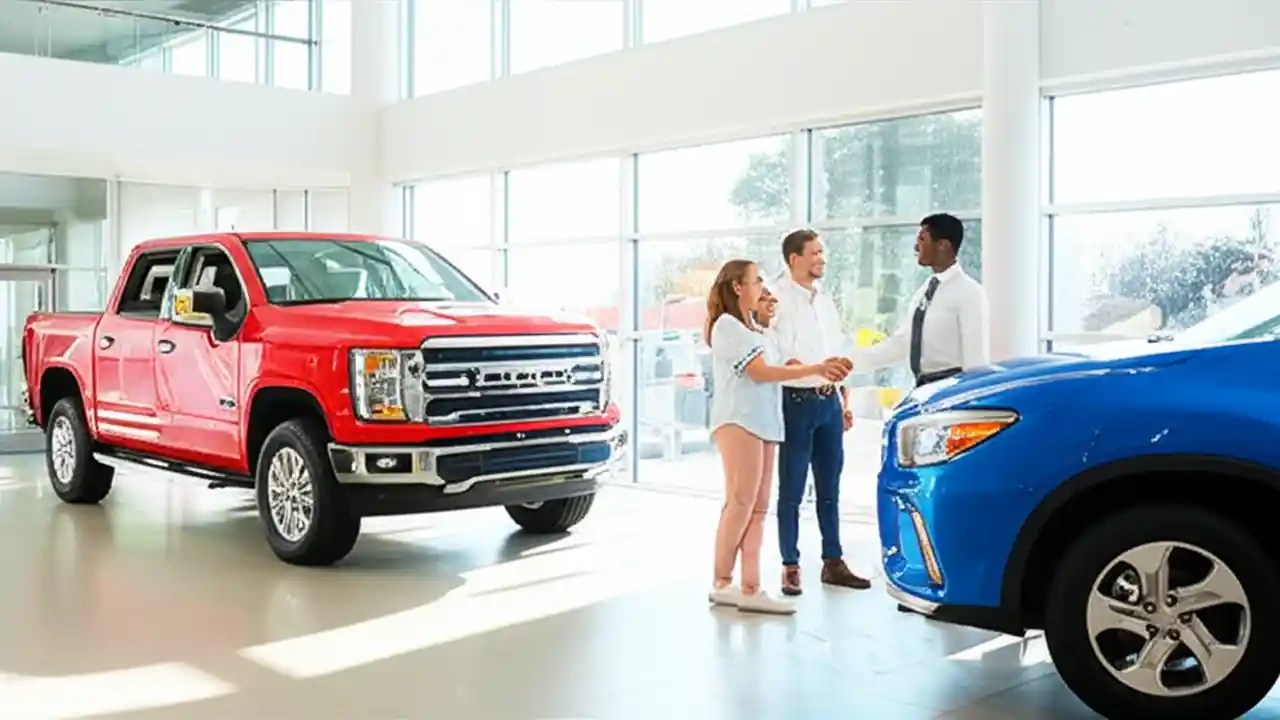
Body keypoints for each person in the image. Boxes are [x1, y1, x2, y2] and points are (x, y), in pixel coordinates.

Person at [705, 260, 850, 614]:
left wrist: (819, 368)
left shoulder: (757, 331)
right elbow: (761, 372)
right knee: (740, 502)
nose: (763, 288)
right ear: (738, 287)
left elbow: (784, 363)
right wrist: (815, 368)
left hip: (767, 424)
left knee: (758, 507)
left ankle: (751, 587)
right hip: (739, 422)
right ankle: (722, 582)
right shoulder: (726, 326)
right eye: (756, 281)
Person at [769, 229, 871, 596]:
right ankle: (790, 566)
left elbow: (838, 352)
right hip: (796, 404)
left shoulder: (825, 301)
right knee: (791, 492)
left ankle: (833, 562)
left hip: (829, 403)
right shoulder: (776, 299)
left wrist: (845, 400)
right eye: (814, 253)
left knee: (830, 489)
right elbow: (779, 356)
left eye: (822, 252)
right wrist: (813, 369)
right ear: (794, 258)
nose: (821, 259)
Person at [853, 213, 989, 387]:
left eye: (922, 240)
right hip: (924, 389)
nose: (916, 247)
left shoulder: (969, 292)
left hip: (952, 391)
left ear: (943, 246)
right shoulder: (925, 290)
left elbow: (976, 361)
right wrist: (851, 362)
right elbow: (902, 343)